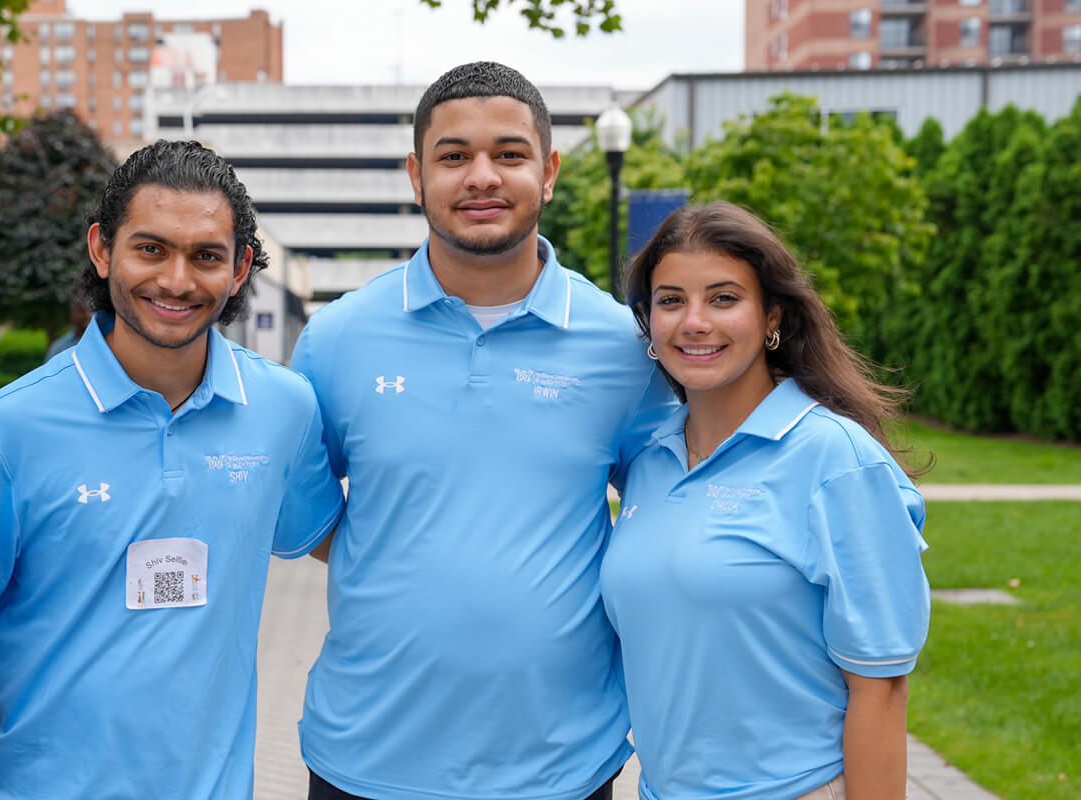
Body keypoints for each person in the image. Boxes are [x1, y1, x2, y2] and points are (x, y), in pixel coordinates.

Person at [291, 61, 675, 800]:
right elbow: (306, 511)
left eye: (508, 153)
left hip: (561, 765)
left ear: (550, 171)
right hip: (364, 759)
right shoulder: (337, 338)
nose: (481, 176)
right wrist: (400, 548)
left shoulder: (622, 346)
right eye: (453, 155)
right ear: (415, 174)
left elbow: (671, 511)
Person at [0, 139, 344, 799]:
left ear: (240, 267)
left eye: (205, 256)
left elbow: (336, 540)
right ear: (102, 248)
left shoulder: (284, 408)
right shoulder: (5, 431)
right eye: (150, 248)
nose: (175, 280)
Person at [603, 201, 929, 800]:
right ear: (649, 322)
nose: (694, 321)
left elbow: (880, 688)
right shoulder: (648, 460)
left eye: (724, 298)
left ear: (771, 315)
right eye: (671, 300)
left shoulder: (836, 460)